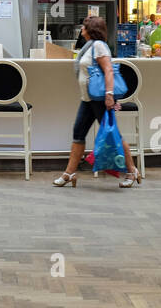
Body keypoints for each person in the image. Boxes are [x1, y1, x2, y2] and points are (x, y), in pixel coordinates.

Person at [54, 15, 141, 189]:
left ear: (90, 30)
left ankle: (132, 171)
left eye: (84, 27)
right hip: (88, 98)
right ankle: (69, 173)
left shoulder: (99, 46)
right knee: (78, 132)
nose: (81, 30)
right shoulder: (90, 46)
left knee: (113, 133)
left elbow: (108, 70)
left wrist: (109, 94)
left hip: (100, 98)